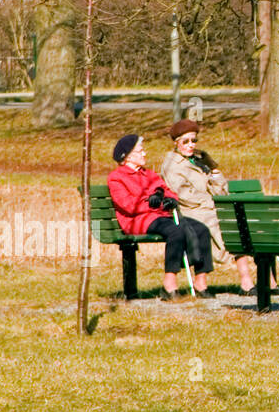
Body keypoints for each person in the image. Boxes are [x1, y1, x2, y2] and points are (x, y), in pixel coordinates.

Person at [107, 133, 213, 300]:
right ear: (127, 156)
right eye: (140, 151)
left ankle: (201, 283)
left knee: (201, 229)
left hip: (160, 217)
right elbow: (128, 205)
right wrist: (151, 202)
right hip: (137, 221)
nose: (144, 154)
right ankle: (169, 284)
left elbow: (169, 192)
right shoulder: (117, 178)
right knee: (175, 231)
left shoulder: (149, 174)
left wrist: (170, 200)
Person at [160, 119, 258, 295]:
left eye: (194, 141)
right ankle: (246, 281)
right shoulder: (172, 165)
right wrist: (212, 202)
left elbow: (222, 191)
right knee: (223, 225)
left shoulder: (197, 162)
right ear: (176, 143)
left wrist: (213, 169)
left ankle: (250, 281)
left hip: (208, 208)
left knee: (238, 223)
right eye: (186, 141)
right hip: (191, 211)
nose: (191, 145)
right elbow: (185, 196)